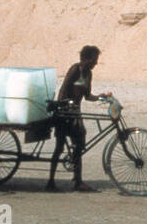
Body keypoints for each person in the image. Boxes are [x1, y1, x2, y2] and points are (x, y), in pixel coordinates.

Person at [46, 45, 111, 192]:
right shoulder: (75, 69)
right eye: (94, 60)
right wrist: (62, 108)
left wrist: (102, 97)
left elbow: (88, 96)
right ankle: (50, 181)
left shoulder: (88, 74)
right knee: (59, 147)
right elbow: (63, 89)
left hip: (76, 113)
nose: (96, 63)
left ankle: (78, 180)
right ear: (87, 59)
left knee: (79, 144)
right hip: (64, 114)